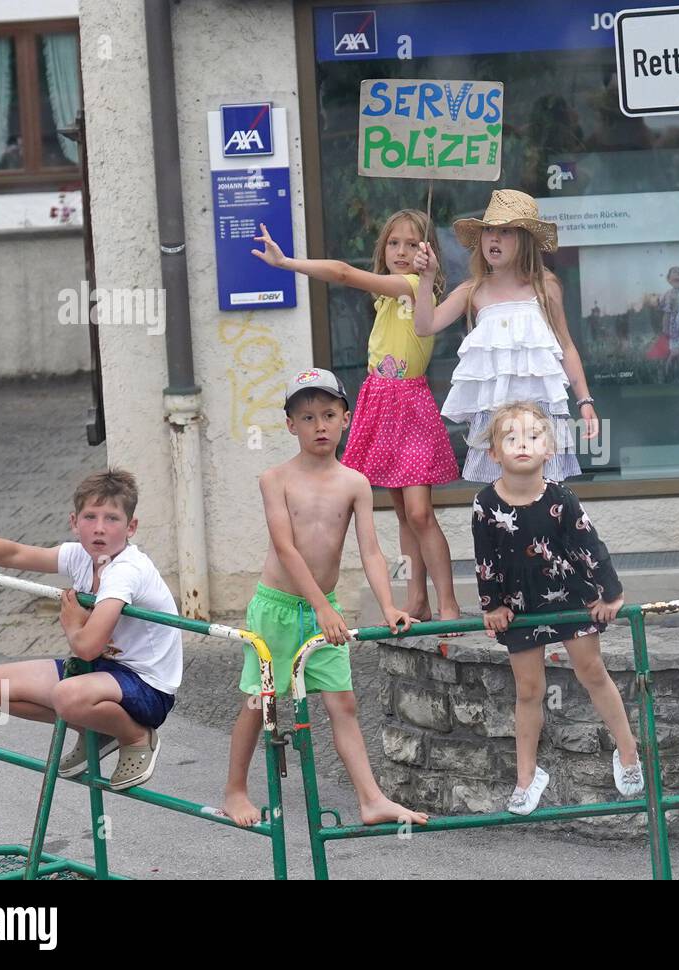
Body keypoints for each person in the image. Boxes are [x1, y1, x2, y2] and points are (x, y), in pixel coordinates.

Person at [220, 368, 428, 828]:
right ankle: (235, 789)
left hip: (322, 611)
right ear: (291, 424)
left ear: (346, 419)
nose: (319, 425)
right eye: (308, 416)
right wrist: (321, 605)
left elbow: (370, 550)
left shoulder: (355, 482)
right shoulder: (274, 479)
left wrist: (389, 604)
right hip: (279, 608)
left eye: (329, 414)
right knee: (261, 703)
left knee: (343, 702)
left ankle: (371, 799)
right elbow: (285, 547)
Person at [252, 211, 460, 623]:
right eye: (393, 243)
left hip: (409, 404)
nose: (401, 251)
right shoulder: (387, 294)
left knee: (419, 512)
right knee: (402, 511)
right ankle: (415, 598)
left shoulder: (412, 286)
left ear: (427, 251)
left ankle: (449, 602)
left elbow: (345, 273)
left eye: (412, 243)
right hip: (380, 400)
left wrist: (288, 264)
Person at [0, 470, 179, 790]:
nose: (99, 528)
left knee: (66, 696)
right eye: (90, 517)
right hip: (102, 672)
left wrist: (73, 625)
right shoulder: (79, 555)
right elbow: (15, 554)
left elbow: (86, 646)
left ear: (131, 527)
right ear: (74, 522)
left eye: (112, 518)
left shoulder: (126, 570)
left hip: (147, 686)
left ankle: (137, 736)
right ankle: (96, 730)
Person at [471, 401, 643, 815]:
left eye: (533, 437)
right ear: (494, 452)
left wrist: (611, 593)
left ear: (550, 448)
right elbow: (484, 560)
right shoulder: (484, 504)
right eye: (510, 439)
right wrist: (492, 605)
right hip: (519, 606)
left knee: (592, 672)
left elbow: (589, 546)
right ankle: (527, 776)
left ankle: (628, 751)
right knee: (528, 690)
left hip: (569, 596)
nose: (522, 445)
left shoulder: (562, 498)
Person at [412, 188, 599, 483]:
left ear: (525, 241)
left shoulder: (545, 287)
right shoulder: (472, 290)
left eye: (506, 232)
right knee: (502, 501)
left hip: (539, 418)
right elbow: (424, 326)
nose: (494, 239)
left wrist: (584, 401)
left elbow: (566, 346)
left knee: (543, 496)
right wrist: (425, 280)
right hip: (496, 420)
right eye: (488, 231)